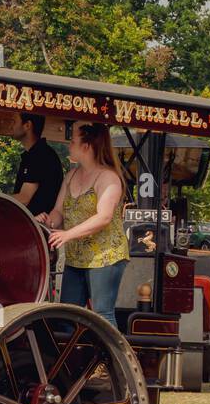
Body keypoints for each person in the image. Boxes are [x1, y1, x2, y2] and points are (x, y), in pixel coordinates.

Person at [37, 122, 128, 329]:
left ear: (87, 146)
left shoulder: (109, 177)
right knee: (68, 315)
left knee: (102, 313)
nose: (69, 146)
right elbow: (59, 211)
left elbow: (104, 217)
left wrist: (67, 235)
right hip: (77, 258)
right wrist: (47, 221)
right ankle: (74, 360)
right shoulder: (71, 176)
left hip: (106, 256)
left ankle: (112, 360)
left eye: (73, 141)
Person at [11, 113, 64, 220]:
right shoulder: (34, 154)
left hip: (38, 228)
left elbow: (24, 198)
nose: (10, 126)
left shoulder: (40, 155)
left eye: (14, 121)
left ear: (27, 125)